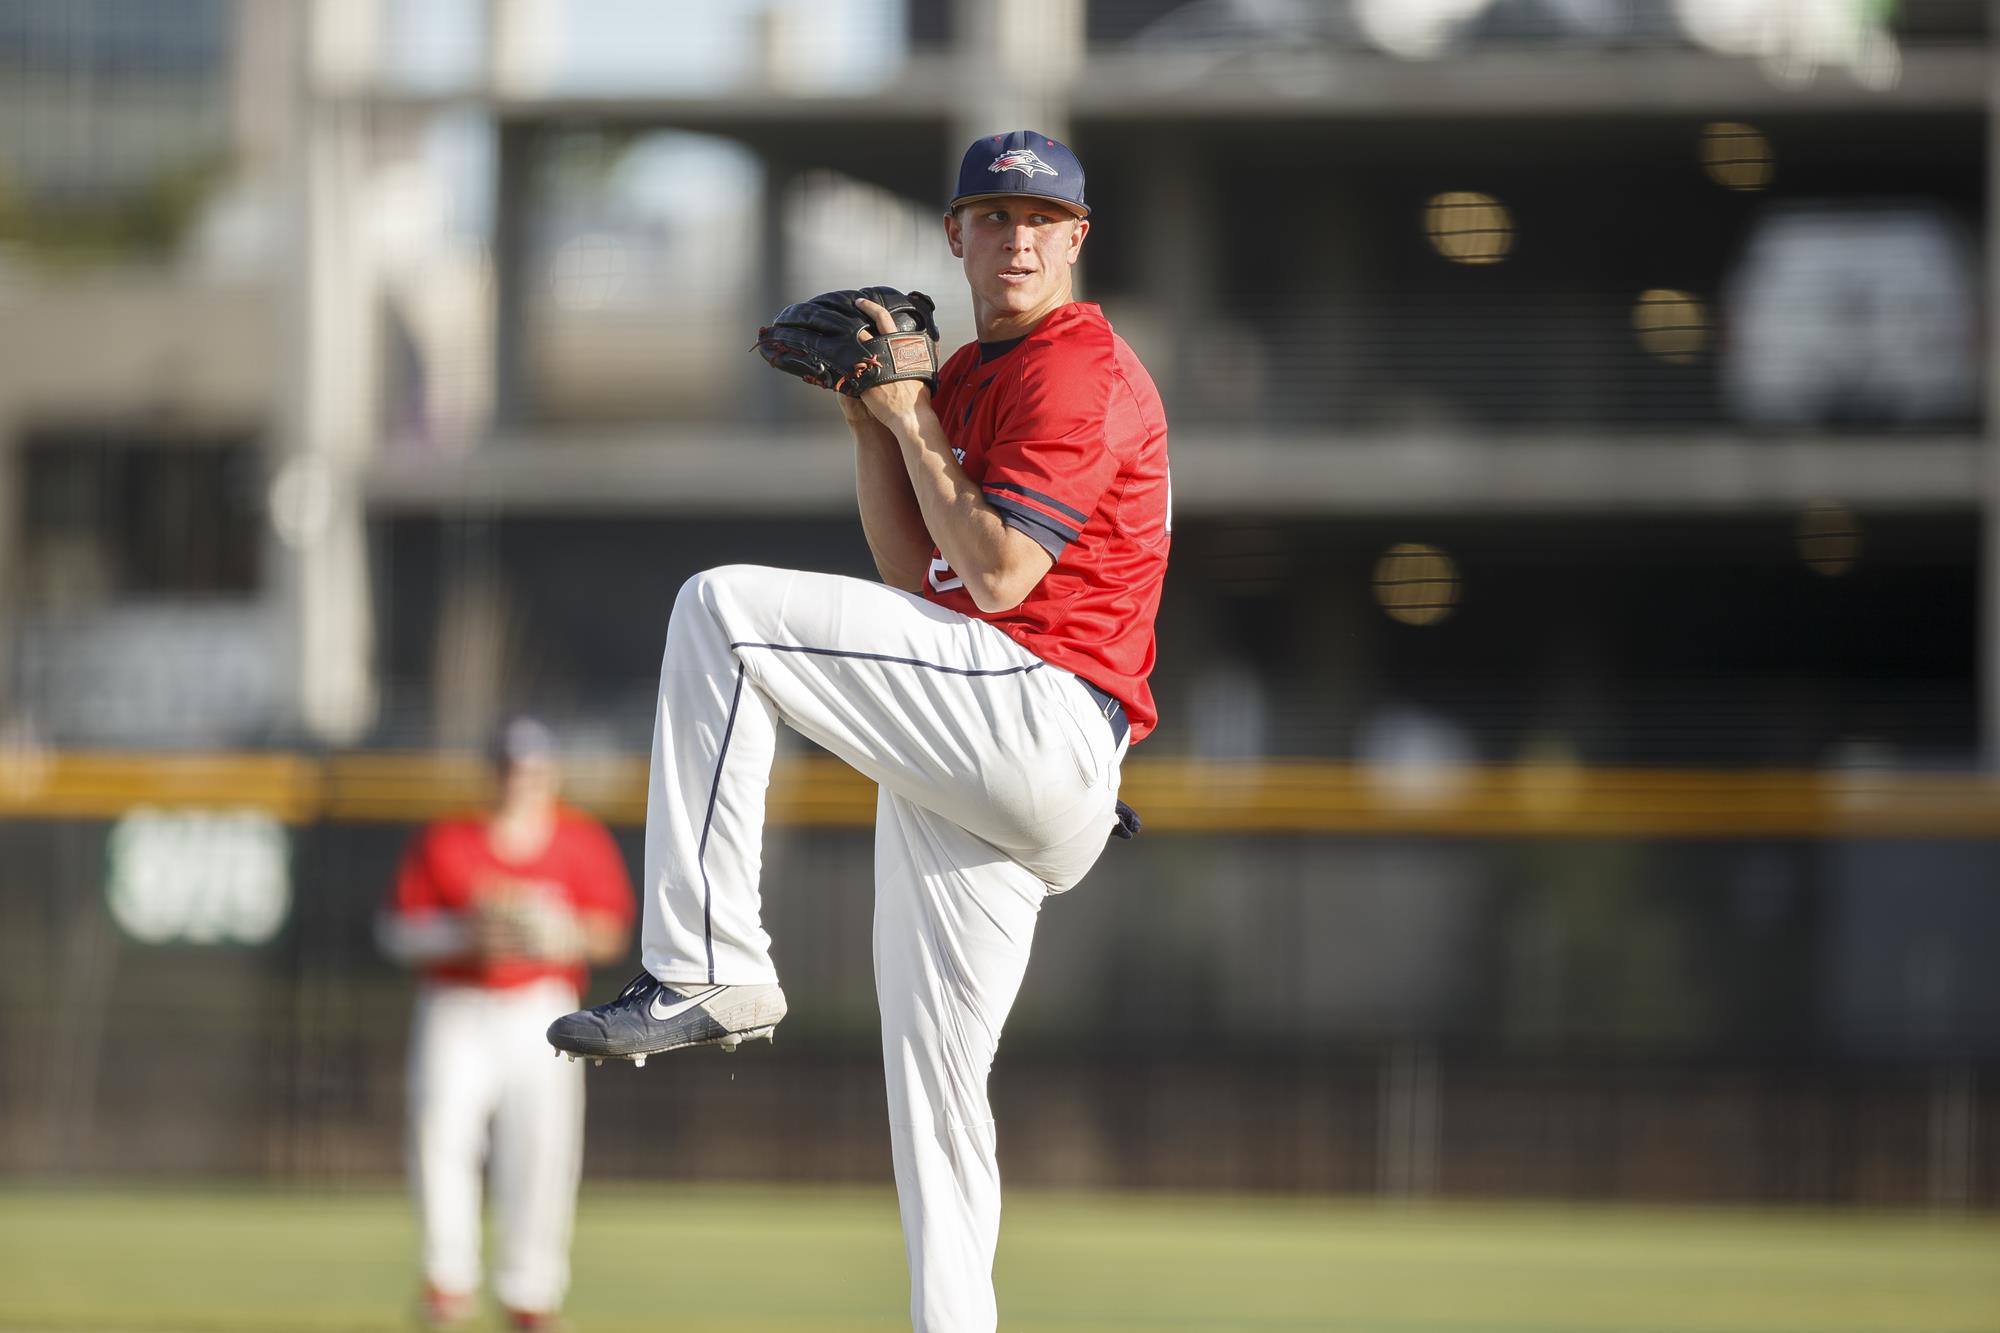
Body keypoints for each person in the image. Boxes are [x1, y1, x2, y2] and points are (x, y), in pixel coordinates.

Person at [548, 129, 1170, 1332]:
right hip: (993, 741)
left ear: (1078, 239)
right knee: (934, 1095)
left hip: (1041, 715)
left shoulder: (1075, 368)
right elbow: (915, 572)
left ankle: (710, 962)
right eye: (994, 216)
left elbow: (994, 574)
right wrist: (870, 420)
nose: (1019, 237)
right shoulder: (974, 380)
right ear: (955, 234)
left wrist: (913, 419)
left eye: (1043, 218)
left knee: (721, 610)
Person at [379, 716, 636, 1331]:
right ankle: (448, 1281)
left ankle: (530, 1292)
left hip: (541, 1008)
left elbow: (611, 931)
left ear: (549, 774)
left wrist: (556, 932)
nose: (519, 782)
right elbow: (397, 929)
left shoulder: (579, 839)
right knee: (441, 1136)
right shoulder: (448, 839)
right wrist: (463, 933)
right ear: (493, 772)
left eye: (531, 770)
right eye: (509, 769)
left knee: (543, 1149)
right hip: (458, 1003)